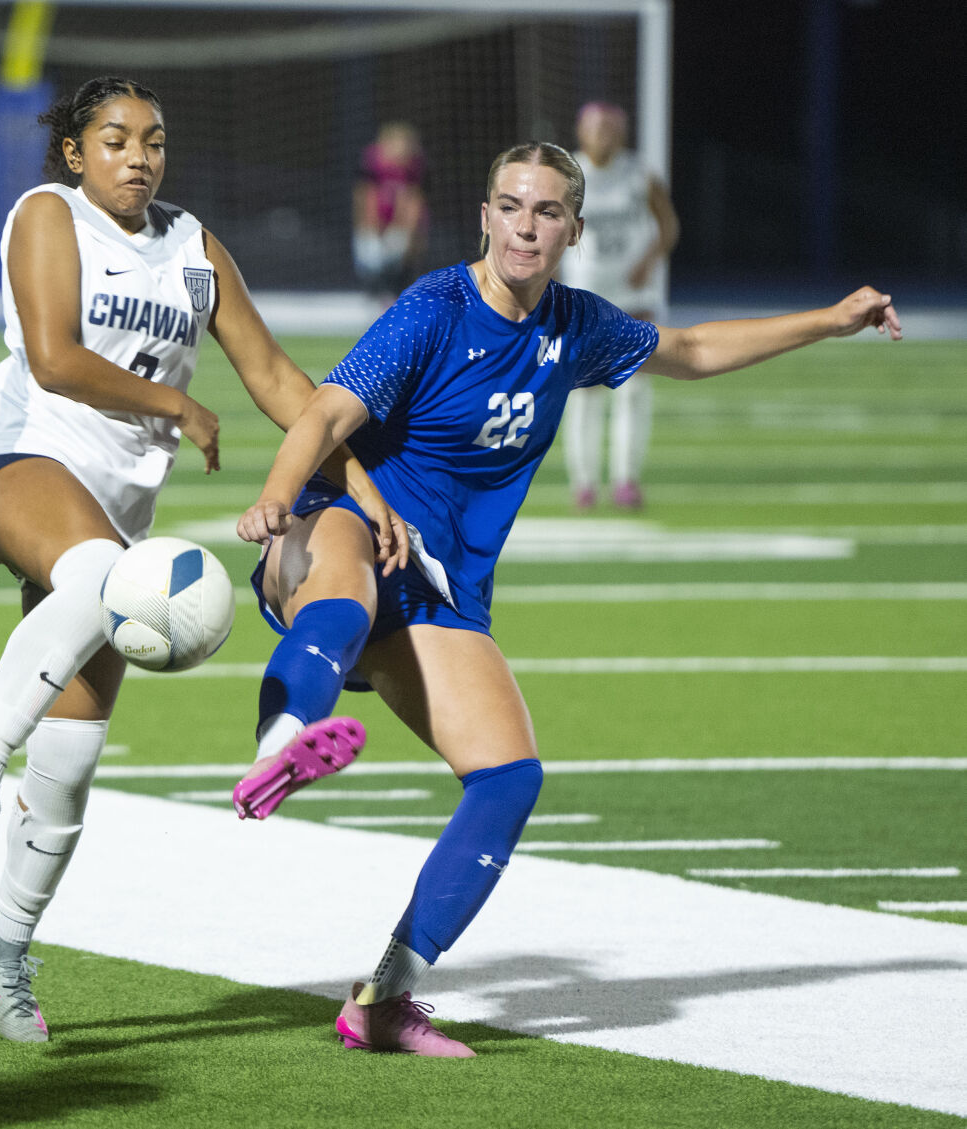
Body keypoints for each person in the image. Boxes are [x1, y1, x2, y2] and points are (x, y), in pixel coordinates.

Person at [232, 140, 900, 1058]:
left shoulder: (576, 327)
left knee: (509, 777)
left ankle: (385, 996)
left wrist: (829, 319)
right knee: (344, 574)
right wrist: (275, 495)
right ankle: (281, 742)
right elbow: (325, 414)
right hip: (336, 524)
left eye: (547, 212)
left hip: (438, 590)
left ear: (573, 230)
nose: (525, 226)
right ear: (483, 214)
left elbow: (693, 348)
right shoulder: (435, 307)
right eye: (510, 205)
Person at [0, 75, 397, 1044]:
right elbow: (51, 357)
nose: (137, 156)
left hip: (111, 521)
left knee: (71, 757)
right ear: (72, 153)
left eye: (153, 141)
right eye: (113, 139)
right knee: (102, 578)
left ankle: (5, 945)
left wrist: (358, 481)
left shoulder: (192, 247)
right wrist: (176, 404)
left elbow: (271, 376)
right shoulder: (46, 215)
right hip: (17, 461)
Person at [560, 102, 680, 509]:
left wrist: (648, 261)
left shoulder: (639, 174)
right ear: (581, 132)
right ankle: (585, 483)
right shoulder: (567, 175)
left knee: (634, 389)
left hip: (634, 299)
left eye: (611, 129)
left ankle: (626, 480)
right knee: (585, 393)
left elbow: (668, 226)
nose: (604, 136)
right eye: (597, 129)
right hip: (586, 299)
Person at [351, 122, 428, 296]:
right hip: (377, 221)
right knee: (370, 260)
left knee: (401, 260)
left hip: (401, 222)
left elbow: (412, 203)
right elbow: (365, 197)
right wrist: (370, 229)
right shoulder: (373, 162)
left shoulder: (413, 167)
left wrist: (401, 232)